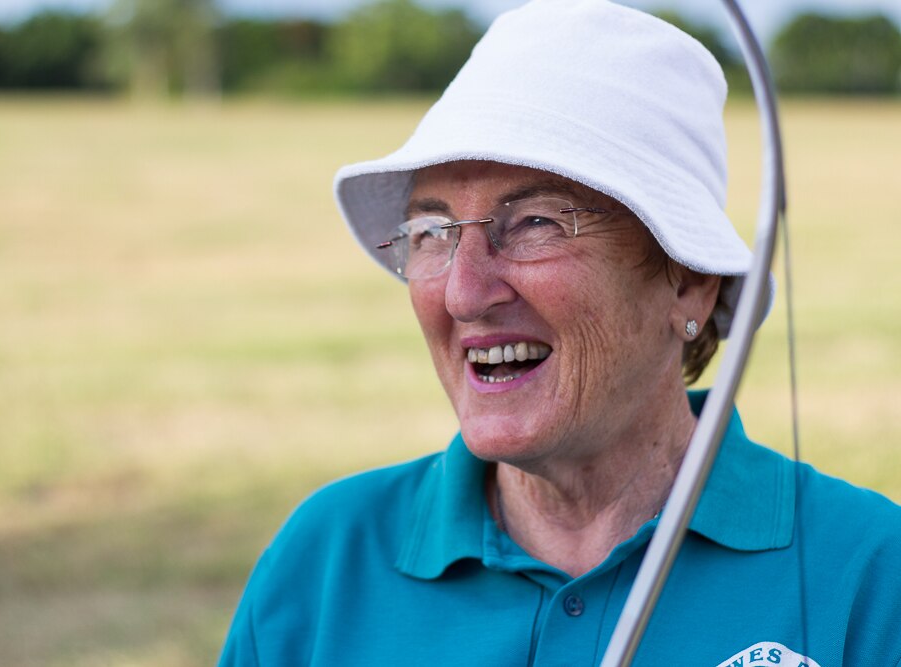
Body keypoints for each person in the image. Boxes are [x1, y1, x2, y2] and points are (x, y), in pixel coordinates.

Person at [219, 1, 901, 664]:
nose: (463, 292)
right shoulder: (327, 561)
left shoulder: (871, 574)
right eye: (431, 232)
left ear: (691, 281)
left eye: (536, 222)